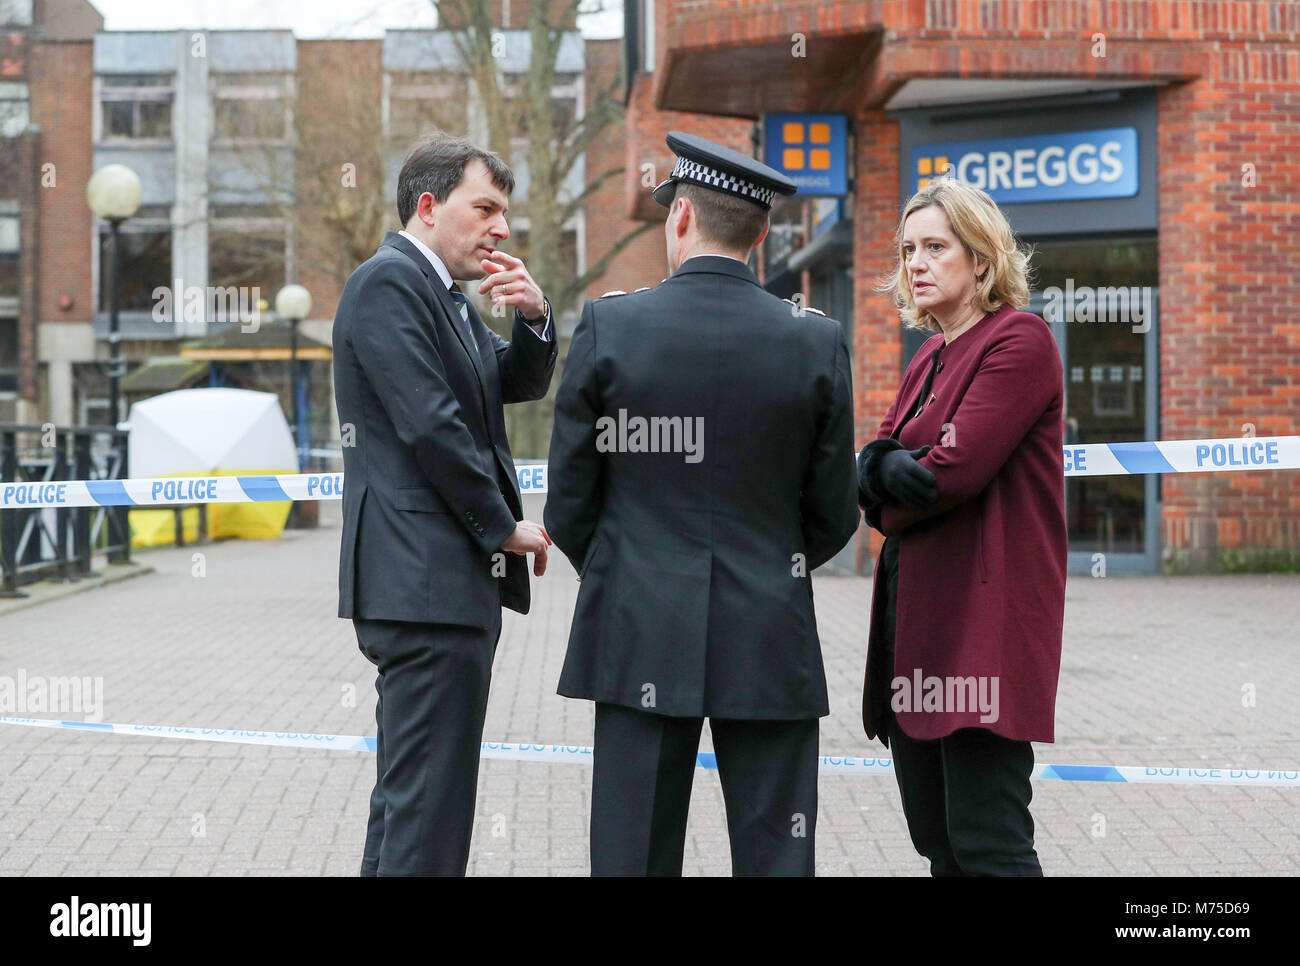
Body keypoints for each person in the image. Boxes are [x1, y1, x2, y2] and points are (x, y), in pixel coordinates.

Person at [545, 131, 860, 877]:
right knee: (776, 852)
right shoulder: (814, 341)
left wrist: (624, 564)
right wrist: (773, 556)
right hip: (768, 625)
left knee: (634, 851)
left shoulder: (612, 326)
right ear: (757, 235)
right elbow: (834, 511)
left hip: (639, 624)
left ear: (681, 217)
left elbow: (568, 501)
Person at [332, 133, 558, 876]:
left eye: (505, 212)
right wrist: (502, 526)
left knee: (412, 809)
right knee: (428, 819)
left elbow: (507, 383)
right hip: (424, 586)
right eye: (485, 208)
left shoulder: (446, 299)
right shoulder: (390, 283)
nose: (501, 228)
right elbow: (431, 421)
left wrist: (533, 319)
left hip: (440, 590)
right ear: (428, 207)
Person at [857, 176, 1066, 876]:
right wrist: (883, 470)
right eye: (908, 248)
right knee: (938, 842)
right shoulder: (928, 355)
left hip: (983, 631)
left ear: (981, 258)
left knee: (989, 846)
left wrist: (885, 471)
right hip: (916, 630)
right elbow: (878, 474)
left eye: (936, 247)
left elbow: (952, 474)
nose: (915, 262)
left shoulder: (1020, 340)